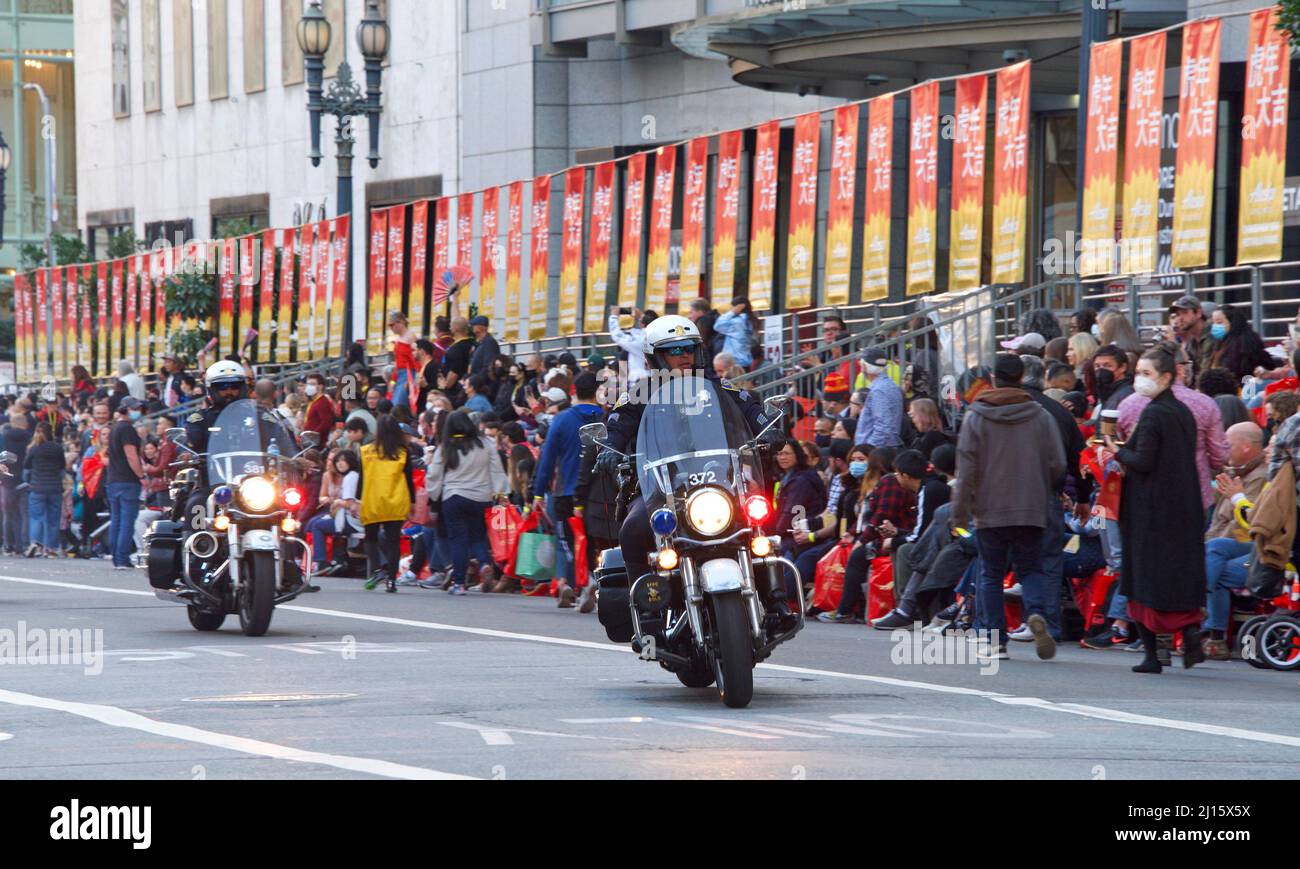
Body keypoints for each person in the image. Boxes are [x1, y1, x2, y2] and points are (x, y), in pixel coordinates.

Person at [604, 315, 770, 595]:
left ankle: (771, 594)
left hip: (720, 481)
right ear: (654, 358)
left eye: (689, 348)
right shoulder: (640, 394)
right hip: (660, 487)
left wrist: (769, 429)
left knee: (760, 513)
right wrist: (608, 450)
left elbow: (750, 408)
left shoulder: (717, 386)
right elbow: (617, 427)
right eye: (674, 350)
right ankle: (647, 606)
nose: (684, 356)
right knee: (632, 531)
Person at [950, 353, 1066, 661]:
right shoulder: (1041, 416)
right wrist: (1045, 489)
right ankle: (1037, 613)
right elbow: (1057, 463)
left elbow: (966, 471)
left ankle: (995, 640)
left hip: (990, 509)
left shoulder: (977, 416)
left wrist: (959, 514)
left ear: (993, 378)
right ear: (1023, 377)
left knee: (989, 573)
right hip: (1031, 507)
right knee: (1031, 568)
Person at [1106, 345, 1208, 674]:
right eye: (1139, 372)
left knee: (1144, 578)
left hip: (1151, 510)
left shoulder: (1153, 413)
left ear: (1166, 376)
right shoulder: (1183, 412)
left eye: (1147, 374)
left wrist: (1115, 452)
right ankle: (1190, 632)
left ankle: (1153, 654)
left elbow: (1144, 461)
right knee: (1180, 574)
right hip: (1185, 505)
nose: (1140, 380)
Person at [1117, 342, 1228, 518]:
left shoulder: (1128, 405)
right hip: (1193, 493)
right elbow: (1219, 456)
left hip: (1143, 495)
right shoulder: (1204, 404)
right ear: (1180, 369)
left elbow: (1126, 450)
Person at [530, 372, 606, 607]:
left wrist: (537, 492)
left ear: (573, 391)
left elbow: (547, 458)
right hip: (598, 491)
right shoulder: (605, 418)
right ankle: (596, 580)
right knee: (596, 542)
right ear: (597, 393)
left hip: (566, 491)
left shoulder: (562, 420)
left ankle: (582, 584)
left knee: (570, 542)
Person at [818, 448, 914, 623]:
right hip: (877, 535)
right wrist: (853, 534)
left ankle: (844, 610)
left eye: (864, 461)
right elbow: (865, 517)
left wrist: (861, 540)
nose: (860, 465)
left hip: (887, 536)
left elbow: (881, 516)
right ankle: (844, 606)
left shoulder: (890, 482)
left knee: (857, 557)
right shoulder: (873, 485)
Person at [1200, 422, 1269, 660]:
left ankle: (1201, 619)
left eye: (1228, 443)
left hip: (1261, 544)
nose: (1222, 447)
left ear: (1247, 447)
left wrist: (1235, 497)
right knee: (1214, 557)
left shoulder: (1260, 477)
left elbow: (1246, 524)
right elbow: (1219, 521)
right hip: (1232, 545)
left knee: (1215, 556)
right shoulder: (1237, 473)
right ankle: (1213, 634)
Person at [426, 410, 508, 595]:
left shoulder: (445, 447)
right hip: (481, 497)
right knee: (478, 535)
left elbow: (434, 474)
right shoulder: (484, 444)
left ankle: (459, 583)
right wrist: (501, 492)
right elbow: (496, 469)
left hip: (453, 497)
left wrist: (434, 495)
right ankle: (485, 564)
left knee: (458, 541)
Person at [358, 415, 414, 593]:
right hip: (395, 500)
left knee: (371, 538)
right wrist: (412, 502)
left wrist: (356, 499)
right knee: (393, 541)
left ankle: (376, 570)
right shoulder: (403, 452)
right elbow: (409, 480)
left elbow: (361, 479)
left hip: (372, 499)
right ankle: (391, 580)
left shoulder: (366, 451)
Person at [104, 397, 147, 570]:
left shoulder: (114, 428)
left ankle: (116, 556)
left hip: (114, 479)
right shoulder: (127, 429)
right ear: (127, 409)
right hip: (127, 480)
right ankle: (122, 558)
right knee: (127, 520)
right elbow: (131, 455)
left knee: (116, 519)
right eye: (135, 408)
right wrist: (141, 475)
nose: (138, 411)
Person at [23, 422, 65, 558]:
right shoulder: (58, 448)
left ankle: (35, 542)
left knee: (36, 517)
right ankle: (51, 548)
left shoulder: (34, 449)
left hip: (37, 487)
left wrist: (28, 482)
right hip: (55, 488)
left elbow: (26, 467)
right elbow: (62, 469)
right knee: (53, 519)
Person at [1208, 304, 1278, 383]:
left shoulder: (1241, 345)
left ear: (1233, 323)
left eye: (1219, 322)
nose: (1215, 326)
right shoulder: (1221, 343)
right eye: (1213, 323)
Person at [854, 346, 904, 449]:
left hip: (878, 453)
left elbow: (883, 428)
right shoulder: (891, 385)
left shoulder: (879, 390)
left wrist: (868, 451)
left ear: (864, 366)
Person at [0, 412, 32, 555]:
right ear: (24, 424)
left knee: (8, 514)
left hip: (7, 480)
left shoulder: (4, 438)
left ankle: (8, 544)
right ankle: (23, 545)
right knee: (23, 514)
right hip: (25, 479)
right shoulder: (30, 438)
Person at [1167, 295, 1213, 387]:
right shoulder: (1192, 341)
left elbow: (1205, 373)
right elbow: (1187, 375)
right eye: (1178, 314)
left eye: (1185, 312)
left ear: (1198, 313)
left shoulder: (1211, 334)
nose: (1180, 318)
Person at [608, 307, 656, 382]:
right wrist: (642, 317)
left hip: (641, 382)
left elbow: (617, 335)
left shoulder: (640, 340)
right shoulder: (658, 337)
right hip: (654, 380)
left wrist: (614, 316)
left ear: (642, 324)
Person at [713, 296, 757, 368]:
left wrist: (732, 312)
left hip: (734, 362)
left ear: (739, 307)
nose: (731, 309)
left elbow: (718, 325)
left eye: (732, 307)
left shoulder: (737, 322)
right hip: (747, 361)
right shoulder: (751, 321)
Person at [1092, 344, 1135, 413]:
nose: (1101, 370)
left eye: (1107, 366)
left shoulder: (1127, 394)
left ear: (1122, 367)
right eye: (1097, 366)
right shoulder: (1104, 390)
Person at [440, 317, 474, 401]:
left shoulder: (456, 349)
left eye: (451, 326)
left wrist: (445, 386)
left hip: (455, 391)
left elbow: (454, 373)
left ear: (455, 329)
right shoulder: (471, 343)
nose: (450, 328)